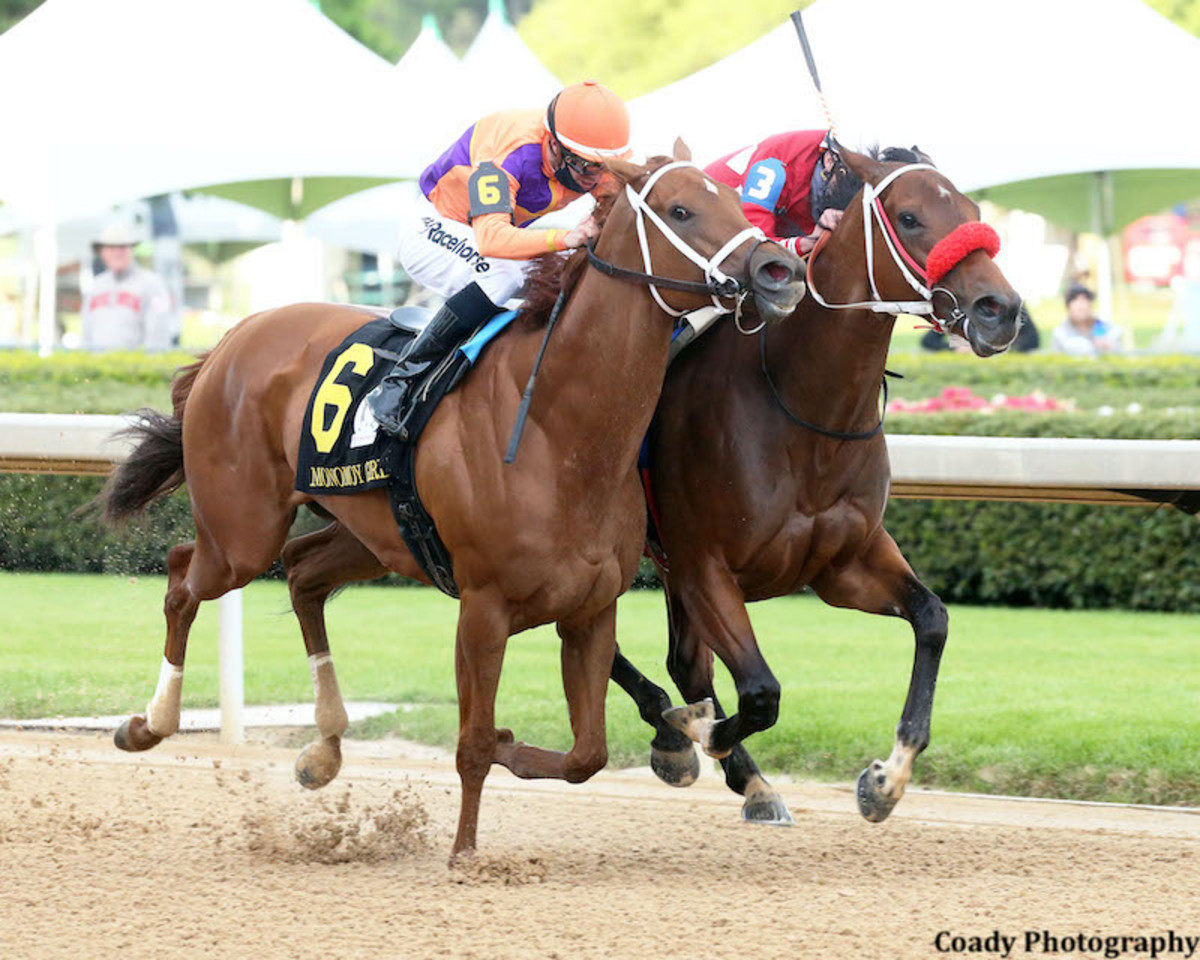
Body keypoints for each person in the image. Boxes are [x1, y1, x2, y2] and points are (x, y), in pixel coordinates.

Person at [369, 80, 632, 434]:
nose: (600, 179)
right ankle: (400, 381)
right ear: (554, 145)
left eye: (606, 166)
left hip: (485, 239)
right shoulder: (508, 151)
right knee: (505, 275)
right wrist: (566, 237)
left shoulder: (585, 156)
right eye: (588, 168)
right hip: (432, 229)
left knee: (570, 279)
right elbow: (491, 240)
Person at [705, 130, 920, 257]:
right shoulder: (775, 166)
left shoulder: (830, 167)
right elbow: (753, 249)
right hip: (709, 224)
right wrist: (805, 243)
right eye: (853, 180)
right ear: (830, 160)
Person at [81, 221, 173, 352]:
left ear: (132, 250)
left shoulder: (152, 284)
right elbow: (86, 333)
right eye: (111, 248)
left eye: (123, 247)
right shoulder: (95, 286)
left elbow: (158, 335)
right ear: (102, 252)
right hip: (97, 367)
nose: (117, 252)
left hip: (134, 368)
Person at [1050, 284, 1122, 356]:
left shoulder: (1107, 328)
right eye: (1076, 301)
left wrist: (1109, 347)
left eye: (1085, 300)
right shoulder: (1060, 334)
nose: (1081, 305)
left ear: (1091, 304)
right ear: (1068, 306)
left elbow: (1120, 354)